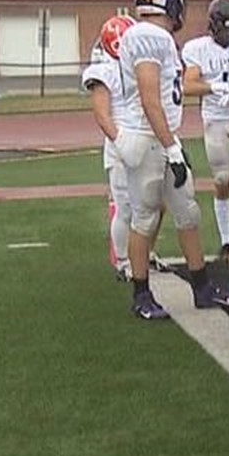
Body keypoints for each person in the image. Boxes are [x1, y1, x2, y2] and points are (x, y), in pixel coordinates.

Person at [115, 0, 229, 319]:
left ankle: (202, 287)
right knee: (146, 217)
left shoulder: (152, 36)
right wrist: (171, 147)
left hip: (161, 137)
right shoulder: (149, 36)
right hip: (149, 139)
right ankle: (141, 294)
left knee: (187, 211)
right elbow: (150, 99)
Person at [182, 0, 229, 254]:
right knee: (222, 180)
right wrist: (214, 87)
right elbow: (188, 85)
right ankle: (226, 240)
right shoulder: (198, 49)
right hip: (216, 120)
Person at [87, 14, 136, 279]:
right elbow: (103, 115)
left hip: (141, 140)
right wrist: (121, 142)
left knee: (148, 205)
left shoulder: (135, 67)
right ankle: (123, 261)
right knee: (125, 206)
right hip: (120, 145)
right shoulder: (103, 71)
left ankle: (142, 253)